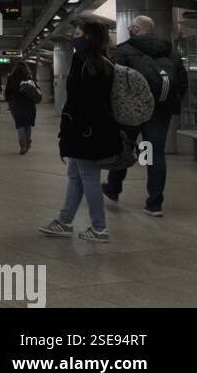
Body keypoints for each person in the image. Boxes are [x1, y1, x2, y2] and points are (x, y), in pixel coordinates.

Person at [39, 19, 122, 242]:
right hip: (95, 130)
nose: (74, 38)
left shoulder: (82, 61)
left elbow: (80, 101)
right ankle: (65, 221)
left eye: (78, 34)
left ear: (89, 37)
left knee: (88, 179)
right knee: (75, 176)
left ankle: (99, 228)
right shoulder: (104, 62)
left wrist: (73, 129)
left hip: (85, 132)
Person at [102, 15, 190, 216]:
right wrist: (166, 104)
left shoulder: (124, 51)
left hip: (132, 113)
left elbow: (114, 84)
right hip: (159, 113)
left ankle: (114, 188)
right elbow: (182, 83)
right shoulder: (171, 52)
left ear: (134, 29)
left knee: (124, 147)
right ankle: (154, 203)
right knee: (153, 154)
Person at [3, 62, 38, 154]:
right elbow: (37, 90)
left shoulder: (11, 78)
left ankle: (23, 146)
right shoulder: (29, 77)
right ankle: (28, 142)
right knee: (28, 125)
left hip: (16, 105)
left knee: (20, 125)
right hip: (29, 104)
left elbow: (7, 92)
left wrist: (8, 101)